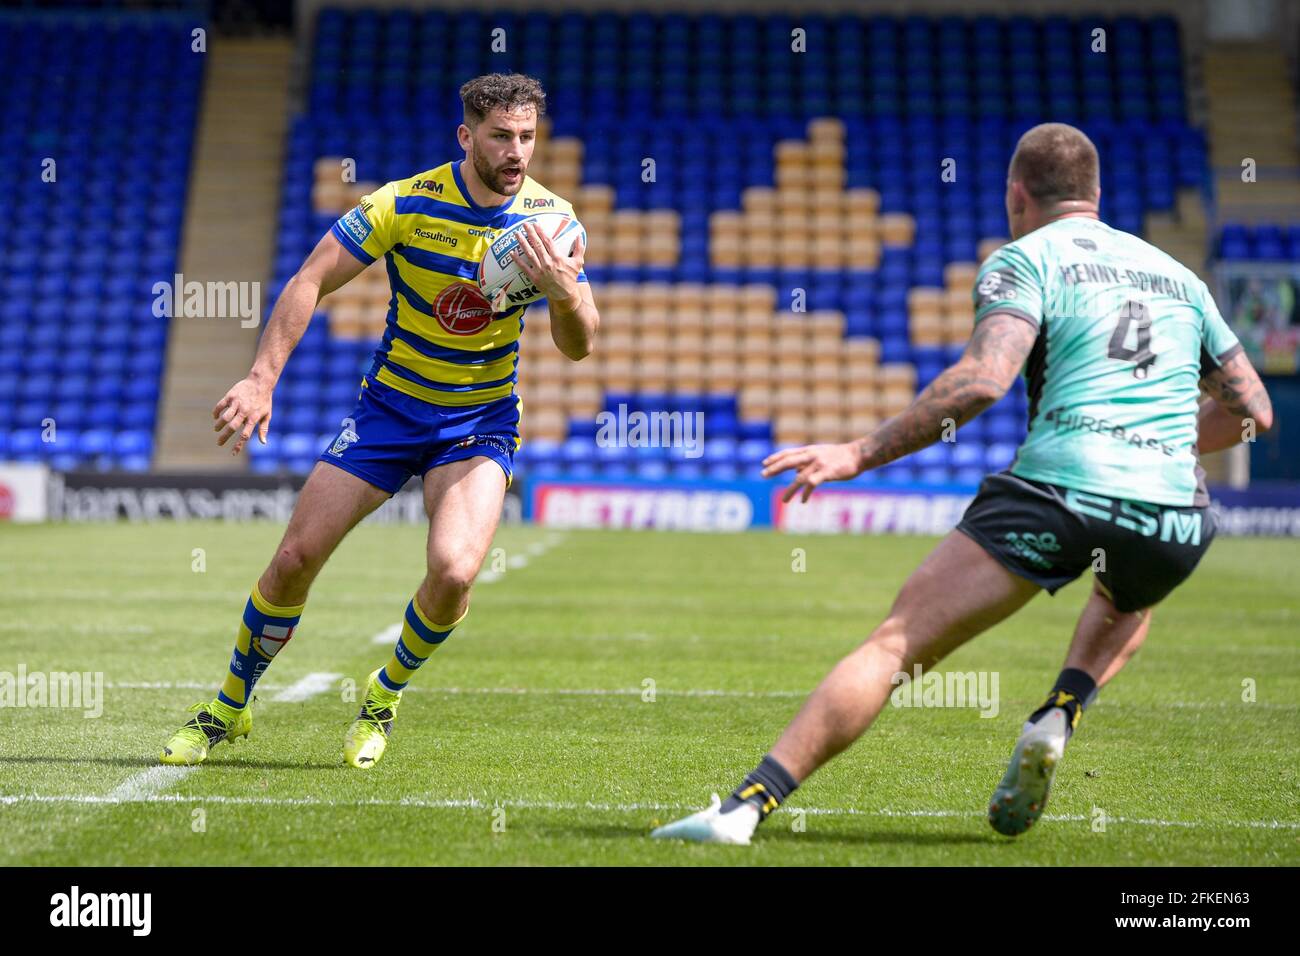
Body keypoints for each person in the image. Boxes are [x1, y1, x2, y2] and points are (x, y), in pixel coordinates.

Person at [652, 122, 1273, 844]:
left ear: (1016, 195)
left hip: (1061, 491)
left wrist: (858, 451)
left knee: (894, 648)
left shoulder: (1025, 258)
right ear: (1097, 195)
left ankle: (744, 808)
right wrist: (1158, 441)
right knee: (1130, 592)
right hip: (1174, 517)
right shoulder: (1181, 278)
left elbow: (982, 381)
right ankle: (1061, 711)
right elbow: (1254, 409)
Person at [160, 74, 599, 769]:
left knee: (454, 573)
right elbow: (311, 277)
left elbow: (580, 344)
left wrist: (564, 294)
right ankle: (229, 707)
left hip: (478, 422)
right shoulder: (403, 202)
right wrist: (261, 378)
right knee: (294, 560)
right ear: (466, 136)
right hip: (388, 411)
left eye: (527, 137)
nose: (517, 151)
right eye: (500, 136)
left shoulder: (554, 226)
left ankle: (383, 695)